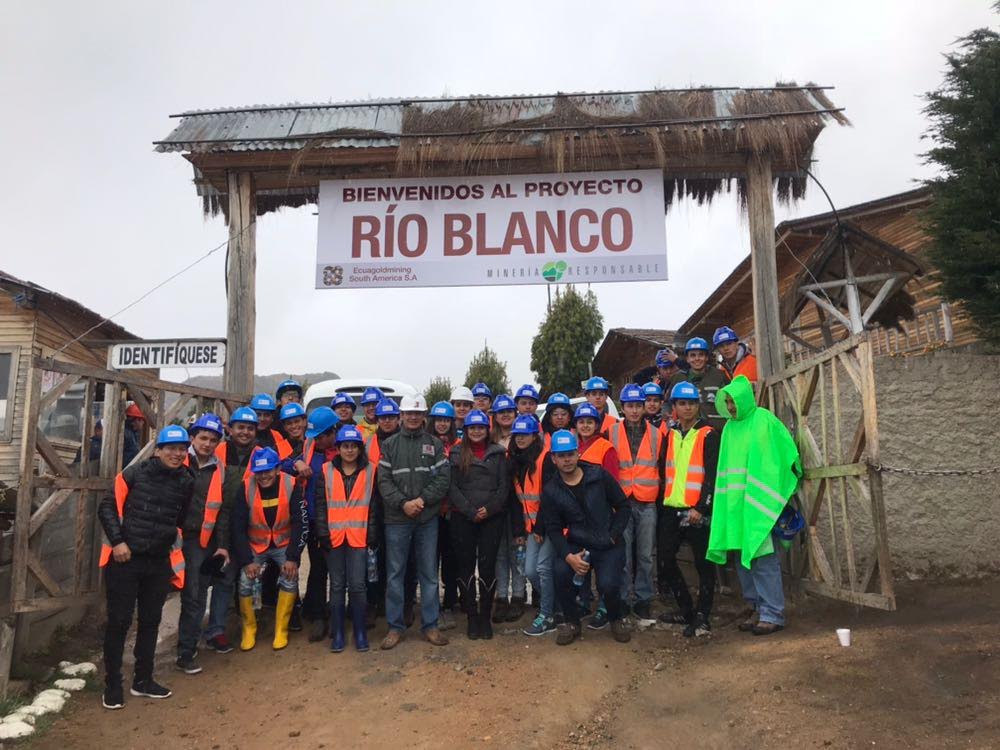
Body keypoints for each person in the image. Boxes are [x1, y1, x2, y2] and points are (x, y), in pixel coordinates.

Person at [98, 425, 192, 710]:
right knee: (119, 622)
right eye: (171, 448)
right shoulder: (134, 474)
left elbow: (181, 518)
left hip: (158, 561)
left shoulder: (186, 481)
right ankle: (112, 685)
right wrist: (118, 542)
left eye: (182, 449)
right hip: (125, 560)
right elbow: (107, 506)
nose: (177, 454)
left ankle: (143, 680)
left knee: (151, 621)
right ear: (158, 450)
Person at [707, 375, 801, 636]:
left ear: (745, 398)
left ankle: (773, 613)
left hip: (759, 505)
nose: (731, 406)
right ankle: (756, 607)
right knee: (743, 560)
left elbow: (785, 452)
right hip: (736, 507)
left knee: (763, 559)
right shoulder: (729, 428)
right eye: (727, 401)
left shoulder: (764, 420)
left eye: (734, 401)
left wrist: (787, 482)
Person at [543, 430, 631, 646]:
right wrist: (569, 556)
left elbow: (623, 506)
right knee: (560, 572)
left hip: (607, 541)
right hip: (578, 542)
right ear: (554, 459)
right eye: (561, 455)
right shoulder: (551, 490)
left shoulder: (598, 475)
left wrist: (613, 535)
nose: (567, 460)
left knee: (608, 584)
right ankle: (572, 622)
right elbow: (553, 529)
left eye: (570, 454)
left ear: (578, 454)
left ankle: (616, 618)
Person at [376, 394, 450, 649]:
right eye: (409, 413)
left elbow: (443, 478)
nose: (413, 417)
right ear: (402, 415)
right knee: (395, 574)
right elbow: (384, 481)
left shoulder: (434, 444)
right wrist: (403, 503)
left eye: (418, 413)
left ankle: (430, 626)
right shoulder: (390, 445)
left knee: (428, 574)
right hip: (396, 520)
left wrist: (421, 501)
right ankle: (395, 628)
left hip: (426, 519)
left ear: (424, 416)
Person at [656, 382, 720, 637]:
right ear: (674, 407)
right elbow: (665, 470)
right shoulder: (670, 435)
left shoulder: (708, 434)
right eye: (682, 403)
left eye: (692, 403)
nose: (687, 408)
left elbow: (712, 475)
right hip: (672, 509)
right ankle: (686, 609)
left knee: (703, 564)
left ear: (698, 405)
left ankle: (702, 616)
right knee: (665, 560)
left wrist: (702, 508)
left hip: (697, 512)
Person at [448, 409, 516, 640]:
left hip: (491, 518)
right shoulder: (456, 452)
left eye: (480, 427)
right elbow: (451, 486)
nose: (476, 431)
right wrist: (469, 510)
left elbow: (504, 487)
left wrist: (489, 509)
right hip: (462, 517)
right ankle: (472, 617)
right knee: (465, 566)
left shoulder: (498, 453)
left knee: (487, 567)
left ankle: (485, 617)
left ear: (487, 430)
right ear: (466, 430)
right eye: (472, 428)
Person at [232, 447, 304, 651]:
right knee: (245, 582)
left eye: (268, 471)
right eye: (259, 472)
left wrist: (292, 557)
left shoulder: (291, 484)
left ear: (278, 469)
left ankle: (281, 629)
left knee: (290, 578)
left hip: (283, 544)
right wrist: (247, 561)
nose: (263, 476)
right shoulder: (245, 488)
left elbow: (299, 523)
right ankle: (249, 628)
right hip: (255, 545)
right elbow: (237, 527)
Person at [175, 413, 231, 674]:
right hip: (173, 538)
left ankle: (186, 650)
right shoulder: (177, 461)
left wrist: (222, 544)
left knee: (196, 594)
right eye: (203, 438)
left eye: (213, 440)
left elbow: (222, 510)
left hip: (201, 541)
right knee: (172, 594)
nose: (207, 444)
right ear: (192, 438)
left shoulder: (219, 469)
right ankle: (182, 649)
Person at [607, 384, 663, 620]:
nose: (634, 410)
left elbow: (660, 466)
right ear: (623, 407)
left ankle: (643, 598)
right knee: (624, 555)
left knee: (646, 555)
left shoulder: (657, 434)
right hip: (622, 503)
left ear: (644, 407)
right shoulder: (611, 433)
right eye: (630, 406)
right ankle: (623, 598)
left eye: (638, 406)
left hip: (647, 502)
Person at [207, 406, 260, 650]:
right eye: (240, 427)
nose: (245, 432)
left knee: (250, 577)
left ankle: (251, 623)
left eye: (250, 428)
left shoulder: (261, 454)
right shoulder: (216, 451)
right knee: (224, 578)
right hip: (218, 522)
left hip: (250, 523)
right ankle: (216, 630)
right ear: (230, 429)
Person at [320, 426, 377, 653]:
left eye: (354, 446)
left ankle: (360, 632)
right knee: (336, 586)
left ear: (360, 449)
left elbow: (374, 507)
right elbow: (321, 504)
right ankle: (338, 633)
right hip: (334, 537)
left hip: (359, 536)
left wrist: (372, 534)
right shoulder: (326, 470)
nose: (350, 450)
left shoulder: (371, 470)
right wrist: (323, 533)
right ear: (338, 448)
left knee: (357, 585)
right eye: (345, 446)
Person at [508, 415, 558, 636]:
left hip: (549, 526)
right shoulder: (516, 461)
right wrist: (521, 530)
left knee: (543, 569)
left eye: (525, 434)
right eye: (517, 435)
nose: (520, 438)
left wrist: (540, 528)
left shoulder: (544, 458)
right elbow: (519, 502)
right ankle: (556, 604)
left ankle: (547, 615)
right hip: (532, 528)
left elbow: (550, 496)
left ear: (534, 436)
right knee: (530, 570)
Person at [496, 386, 537, 623]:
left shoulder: (525, 442)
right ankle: (501, 597)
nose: (505, 415)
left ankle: (519, 596)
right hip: (498, 507)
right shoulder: (489, 438)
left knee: (518, 553)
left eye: (509, 411)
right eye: (501, 412)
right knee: (500, 554)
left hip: (521, 510)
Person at [298, 406, 340, 641]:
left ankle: (337, 614)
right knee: (318, 569)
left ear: (334, 432)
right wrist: (296, 464)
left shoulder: (347, 449)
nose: (318, 441)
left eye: (322, 436)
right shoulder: (309, 447)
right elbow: (285, 463)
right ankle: (318, 616)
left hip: (342, 520)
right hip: (315, 520)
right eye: (316, 437)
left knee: (340, 571)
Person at [428, 401, 460, 628]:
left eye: (446, 420)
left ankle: (450, 602)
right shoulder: (425, 444)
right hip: (430, 511)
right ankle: (432, 605)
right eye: (438, 420)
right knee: (430, 560)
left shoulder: (459, 445)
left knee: (451, 560)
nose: (442, 424)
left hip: (453, 512)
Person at [668, 337, 729, 431]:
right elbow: (667, 403)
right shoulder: (678, 378)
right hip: (689, 432)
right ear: (687, 359)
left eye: (701, 355)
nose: (697, 359)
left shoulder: (720, 376)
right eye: (693, 355)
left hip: (718, 431)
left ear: (706, 357)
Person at [122, 403, 145, 467]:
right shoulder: (126, 434)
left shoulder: (134, 433)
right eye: (142, 420)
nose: (143, 422)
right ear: (136, 420)